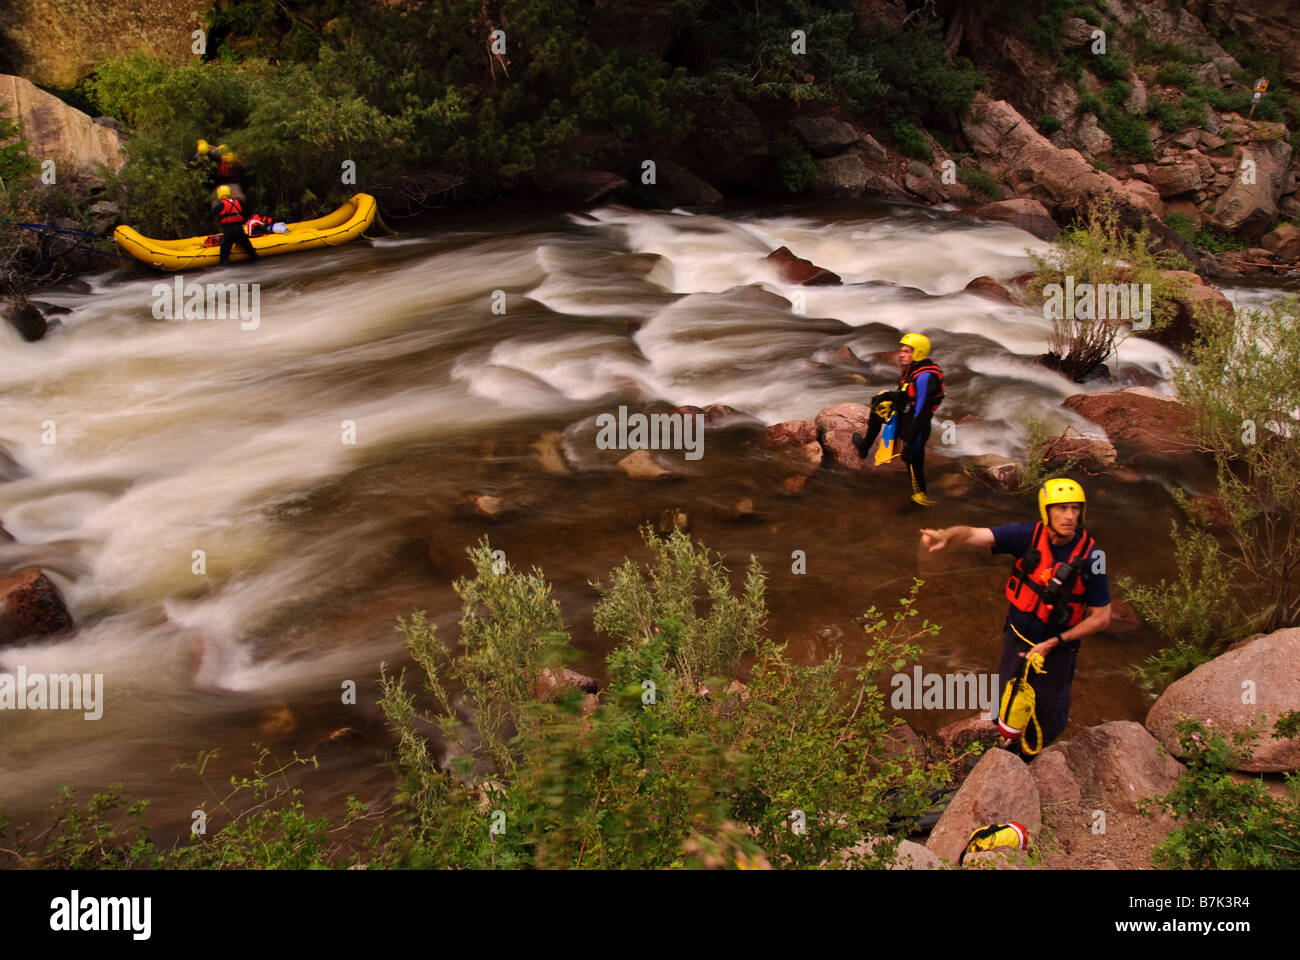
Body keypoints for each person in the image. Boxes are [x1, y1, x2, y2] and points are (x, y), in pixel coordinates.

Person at [919, 478, 1112, 757]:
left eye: (1074, 508)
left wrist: (1054, 643)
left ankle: (1032, 756)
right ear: (1047, 511)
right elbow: (975, 534)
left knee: (1048, 709)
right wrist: (947, 535)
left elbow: (1102, 618)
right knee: (1004, 697)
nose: (1069, 516)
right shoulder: (1027, 535)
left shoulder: (1095, 557)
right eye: (1061, 508)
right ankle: (1007, 738)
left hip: (1056, 650)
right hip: (1018, 639)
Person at [852, 332, 945, 506]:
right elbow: (906, 393)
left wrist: (909, 441)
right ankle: (864, 447)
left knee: (912, 460)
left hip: (917, 421)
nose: (901, 354)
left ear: (918, 353)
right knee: (878, 407)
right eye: (901, 350)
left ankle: (920, 499)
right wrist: (889, 396)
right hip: (907, 409)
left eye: (907, 351)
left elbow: (921, 411)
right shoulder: (914, 368)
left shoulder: (925, 377)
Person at [209, 184, 259, 266]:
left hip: (229, 233)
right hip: (240, 232)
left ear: (219, 194)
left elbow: (209, 216)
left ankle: (226, 269)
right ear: (229, 193)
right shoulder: (238, 202)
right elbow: (246, 214)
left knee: (224, 258)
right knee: (253, 254)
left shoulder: (220, 205)